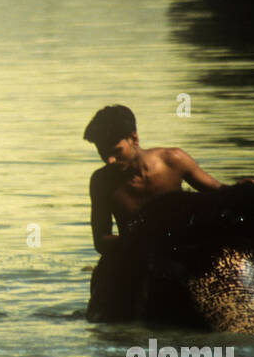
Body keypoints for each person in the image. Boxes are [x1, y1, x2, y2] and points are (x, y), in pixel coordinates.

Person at [84, 104, 242, 258]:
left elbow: (220, 193)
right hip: (137, 259)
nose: (110, 160)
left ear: (134, 138)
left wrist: (241, 191)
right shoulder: (101, 182)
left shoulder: (173, 160)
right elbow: (101, 241)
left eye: (116, 151)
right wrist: (142, 241)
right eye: (102, 153)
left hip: (183, 252)